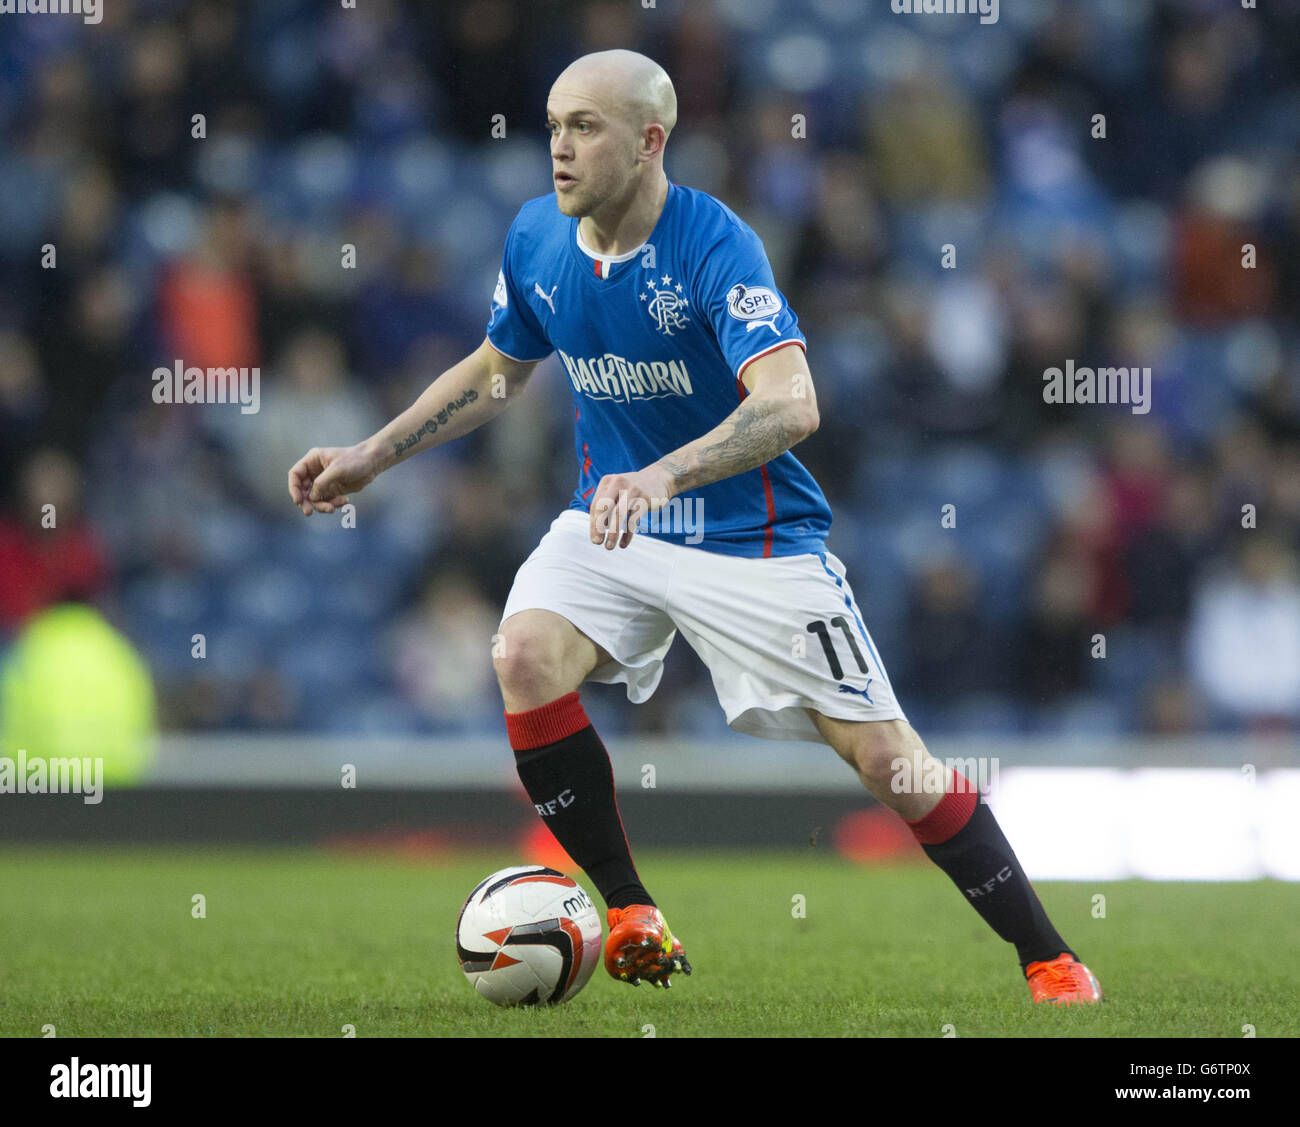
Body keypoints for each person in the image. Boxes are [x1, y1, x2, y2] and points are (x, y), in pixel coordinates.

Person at [288, 50, 1101, 1004]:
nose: (558, 147)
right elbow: (497, 370)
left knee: (891, 762)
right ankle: (630, 910)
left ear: (649, 141)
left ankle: (1051, 959)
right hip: (615, 524)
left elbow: (793, 404)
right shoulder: (537, 240)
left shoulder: (715, 245)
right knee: (521, 655)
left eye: (585, 127)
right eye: (553, 124)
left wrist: (663, 471)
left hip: (749, 539)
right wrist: (372, 455)